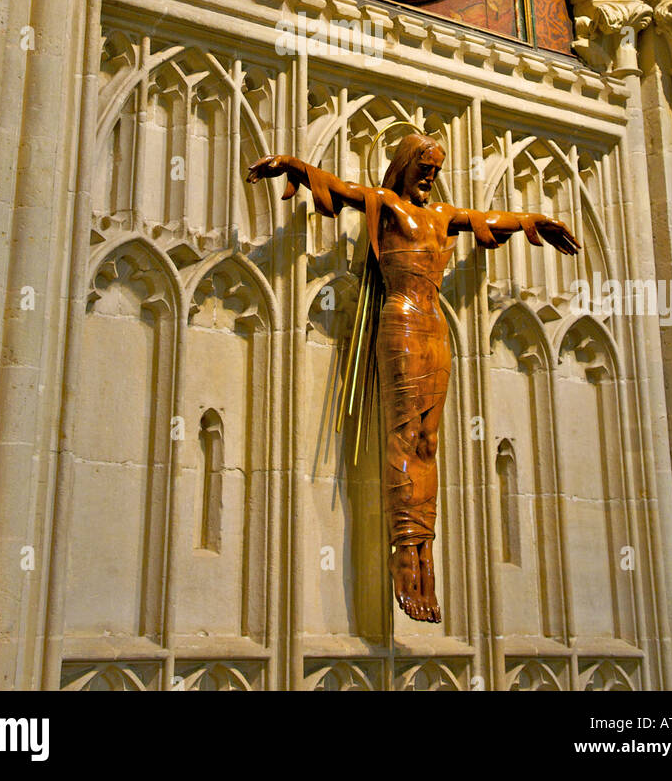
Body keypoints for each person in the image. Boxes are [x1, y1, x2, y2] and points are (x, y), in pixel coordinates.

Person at [247, 132, 580, 623]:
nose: (430, 176)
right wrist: (292, 165)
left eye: (436, 169)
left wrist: (535, 221)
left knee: (429, 440)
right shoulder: (385, 204)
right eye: (424, 166)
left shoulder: (442, 217)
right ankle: (405, 552)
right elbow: (339, 190)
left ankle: (426, 551)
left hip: (435, 325)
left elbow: (485, 220)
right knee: (404, 434)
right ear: (405, 164)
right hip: (400, 319)